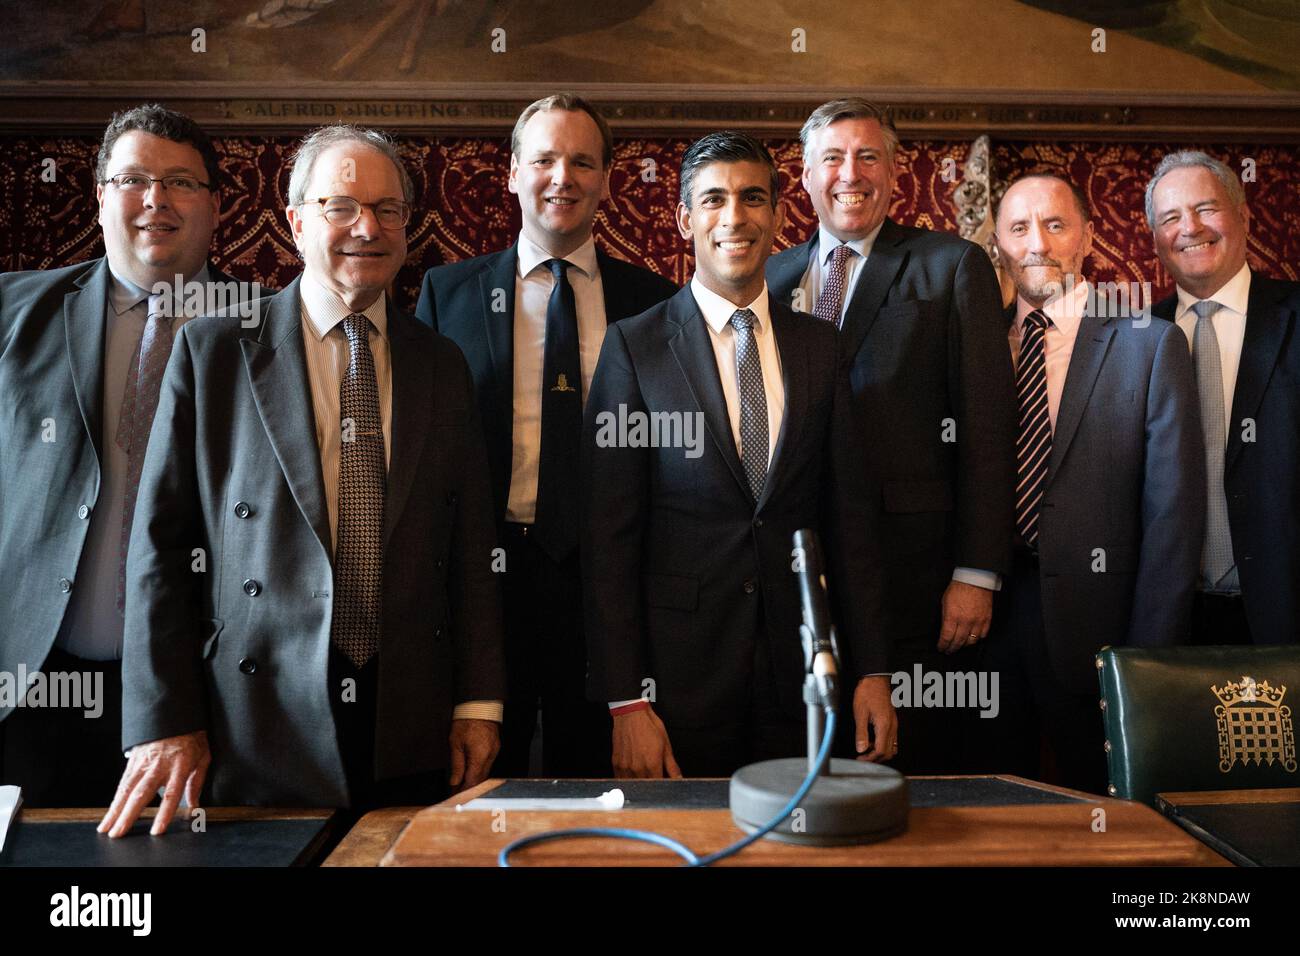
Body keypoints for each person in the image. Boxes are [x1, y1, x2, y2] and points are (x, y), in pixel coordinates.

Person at [98, 124, 505, 837]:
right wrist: (166, 719)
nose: (365, 228)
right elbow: (160, 548)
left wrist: (478, 702)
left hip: (408, 711)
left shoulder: (440, 361)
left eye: (387, 210)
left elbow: (471, 546)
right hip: (256, 716)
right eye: (340, 205)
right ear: (294, 220)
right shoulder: (215, 346)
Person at [582, 131, 897, 778]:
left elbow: (852, 525)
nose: (735, 217)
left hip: (802, 687)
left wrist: (873, 671)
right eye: (714, 199)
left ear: (780, 215)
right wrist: (625, 703)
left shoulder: (821, 348)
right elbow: (608, 541)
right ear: (684, 219)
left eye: (753, 198)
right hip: (678, 687)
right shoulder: (634, 350)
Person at [415, 94, 676, 777]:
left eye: (582, 162)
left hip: (607, 583)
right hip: (484, 579)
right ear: (511, 173)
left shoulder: (654, 301)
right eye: (545, 159)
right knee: (474, 788)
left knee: (596, 787)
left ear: (607, 181)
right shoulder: (448, 294)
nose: (563, 177)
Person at [767, 99, 1016, 773]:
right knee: (805, 774)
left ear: (895, 172)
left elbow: (989, 427)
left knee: (912, 776)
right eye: (834, 158)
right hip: (795, 572)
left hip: (917, 579)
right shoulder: (768, 278)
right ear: (808, 175)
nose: (852, 173)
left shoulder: (951, 265)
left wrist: (977, 570)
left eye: (868, 156)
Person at [0, 104, 239, 806]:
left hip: (202, 694)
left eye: (182, 183)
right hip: (30, 680)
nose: (157, 200)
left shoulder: (268, 331)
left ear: (217, 206)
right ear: (101, 195)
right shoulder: (13, 313)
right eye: (134, 179)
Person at [967, 173, 1204, 794]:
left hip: (1101, 626)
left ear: (1088, 237)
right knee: (991, 812)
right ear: (999, 244)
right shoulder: (974, 343)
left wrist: (1148, 661)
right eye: (1019, 228)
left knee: (1105, 816)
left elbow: (1173, 519)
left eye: (1055, 224)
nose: (1037, 243)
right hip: (981, 626)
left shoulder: (1149, 344)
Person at [1148, 150, 1300, 648]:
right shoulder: (1133, 335)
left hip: (1286, 618)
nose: (1189, 227)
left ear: (1245, 217)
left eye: (1206, 208)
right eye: (1170, 217)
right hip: (1171, 624)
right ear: (1154, 240)